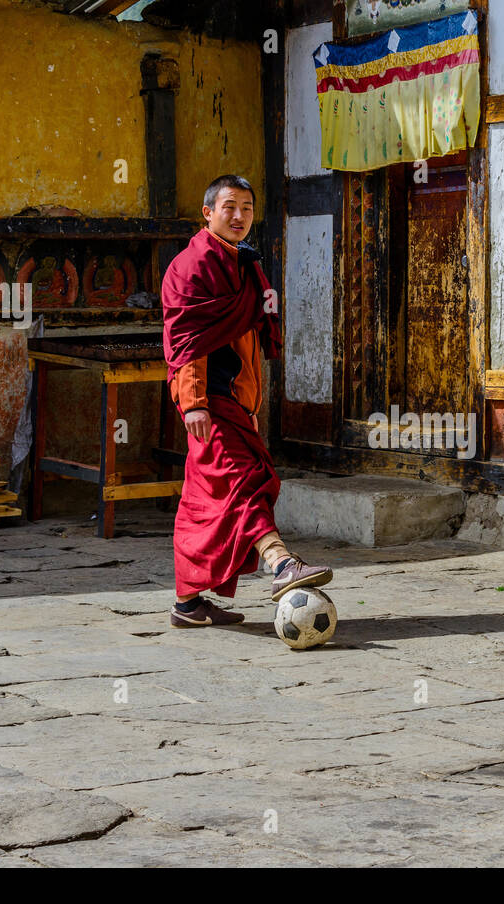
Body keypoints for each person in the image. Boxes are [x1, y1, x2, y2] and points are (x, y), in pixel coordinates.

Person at [161, 174, 332, 628]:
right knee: (245, 482)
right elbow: (186, 339)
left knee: (204, 501)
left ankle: (189, 604)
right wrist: (194, 401)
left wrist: (252, 408)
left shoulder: (244, 263)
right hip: (209, 401)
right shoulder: (191, 266)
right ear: (208, 213)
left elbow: (249, 338)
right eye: (229, 207)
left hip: (236, 400)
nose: (239, 217)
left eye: (247, 209)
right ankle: (281, 564)